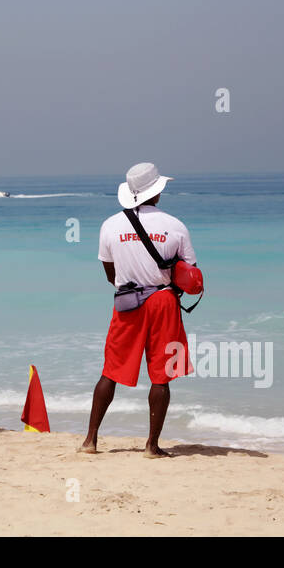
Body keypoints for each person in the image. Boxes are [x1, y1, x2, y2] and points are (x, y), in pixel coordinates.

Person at [80, 162, 197, 458]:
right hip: (163, 302)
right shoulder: (175, 225)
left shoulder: (111, 225)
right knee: (161, 376)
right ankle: (151, 446)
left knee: (110, 371)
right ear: (157, 192)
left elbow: (110, 273)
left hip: (127, 302)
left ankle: (90, 441)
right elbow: (191, 274)